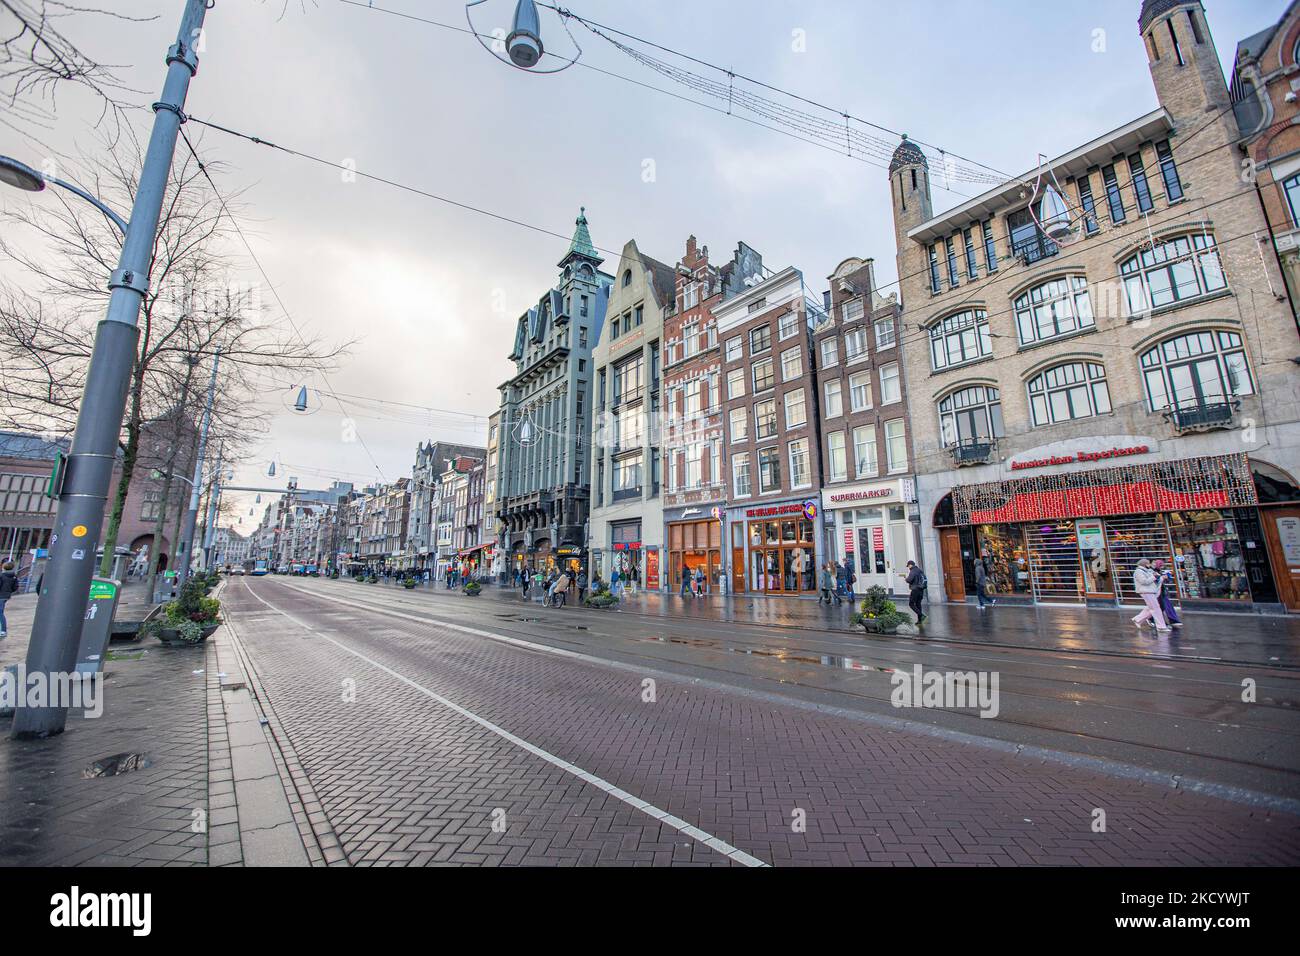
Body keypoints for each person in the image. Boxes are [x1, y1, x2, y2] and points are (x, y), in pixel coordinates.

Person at [1131, 558, 1169, 631]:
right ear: (1145, 564)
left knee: (1151, 608)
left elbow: (1155, 581)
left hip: (1151, 591)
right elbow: (1144, 581)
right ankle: (1161, 626)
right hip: (1146, 591)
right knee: (1155, 608)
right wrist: (1154, 577)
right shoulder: (1138, 572)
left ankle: (1138, 619)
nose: (1151, 565)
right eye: (1148, 563)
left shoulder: (1148, 571)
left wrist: (1161, 578)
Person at [1152, 558, 1182, 629]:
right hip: (1156, 592)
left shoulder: (1159, 571)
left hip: (1161, 591)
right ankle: (1156, 620)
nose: (1161, 567)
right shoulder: (1152, 571)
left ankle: (1172, 620)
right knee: (1159, 607)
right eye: (1160, 565)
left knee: (1165, 606)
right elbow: (1152, 581)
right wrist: (1161, 577)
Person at [901, 560, 927, 625]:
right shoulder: (919, 570)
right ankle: (920, 620)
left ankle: (922, 616)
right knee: (918, 604)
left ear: (910, 565)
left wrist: (906, 579)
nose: (908, 567)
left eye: (908, 566)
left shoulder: (912, 571)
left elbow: (909, 580)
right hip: (921, 589)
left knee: (911, 604)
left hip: (915, 590)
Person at [0, 561, 18, 638]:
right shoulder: (14, 576)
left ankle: (3, 630)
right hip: (6, 596)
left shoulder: (1, 576)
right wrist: (8, 592)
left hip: (0, 596)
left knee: (0, 613)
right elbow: (15, 587)